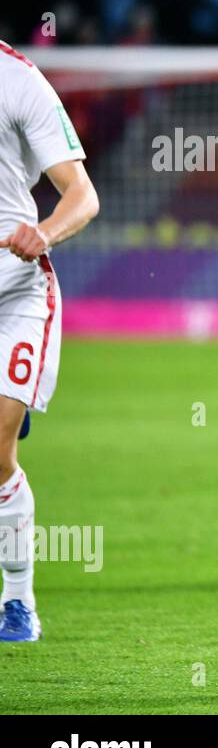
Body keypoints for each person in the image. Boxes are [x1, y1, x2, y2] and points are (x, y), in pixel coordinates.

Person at [0, 40, 101, 641]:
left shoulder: (19, 81)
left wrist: (43, 231)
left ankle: (18, 602)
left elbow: (82, 195)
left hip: (15, 293)